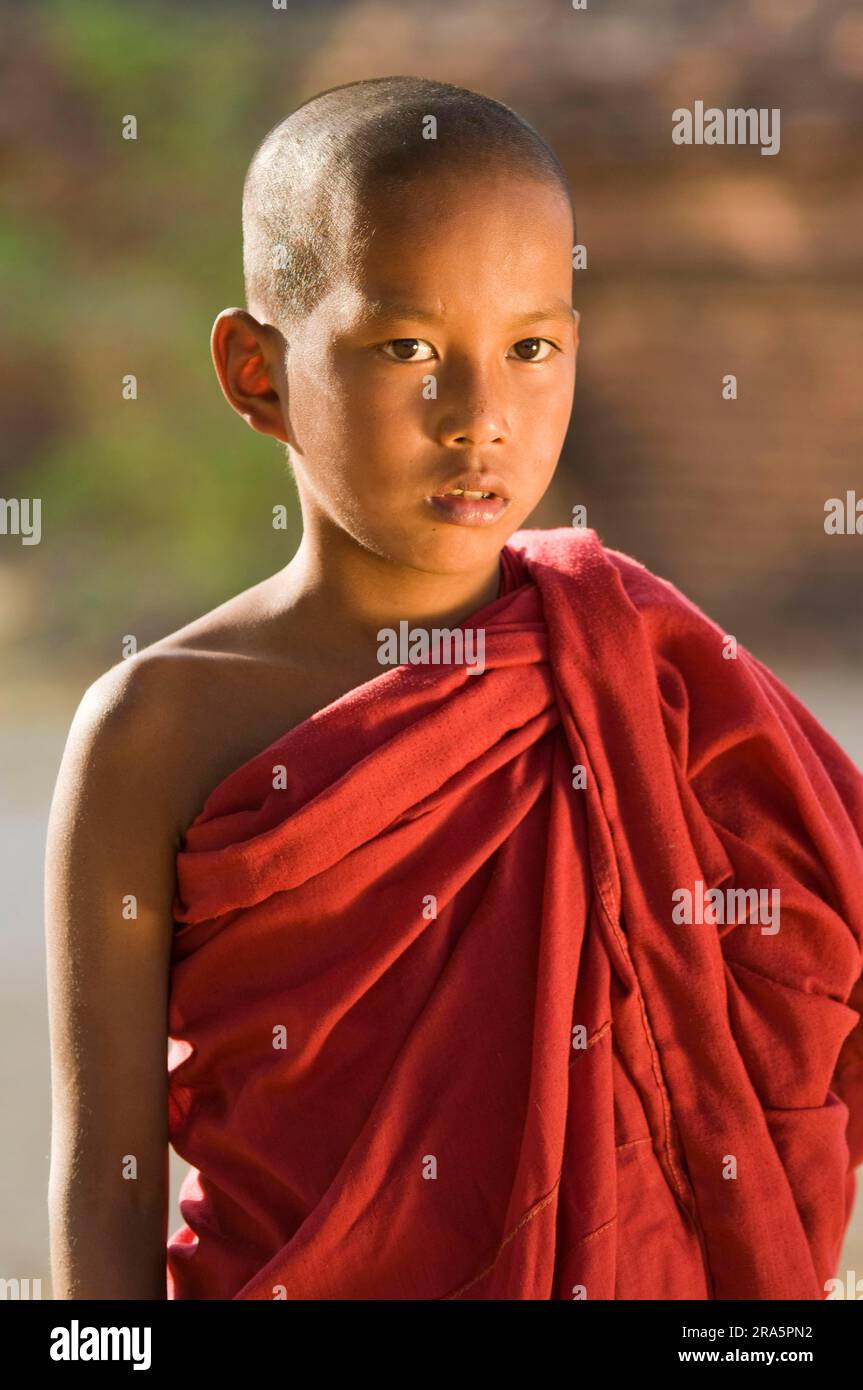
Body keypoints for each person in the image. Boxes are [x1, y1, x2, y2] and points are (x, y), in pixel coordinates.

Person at [46, 75, 863, 1301]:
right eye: (408, 349)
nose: (479, 417)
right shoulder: (158, 727)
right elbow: (105, 1172)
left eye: (529, 348)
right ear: (255, 372)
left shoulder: (645, 673)